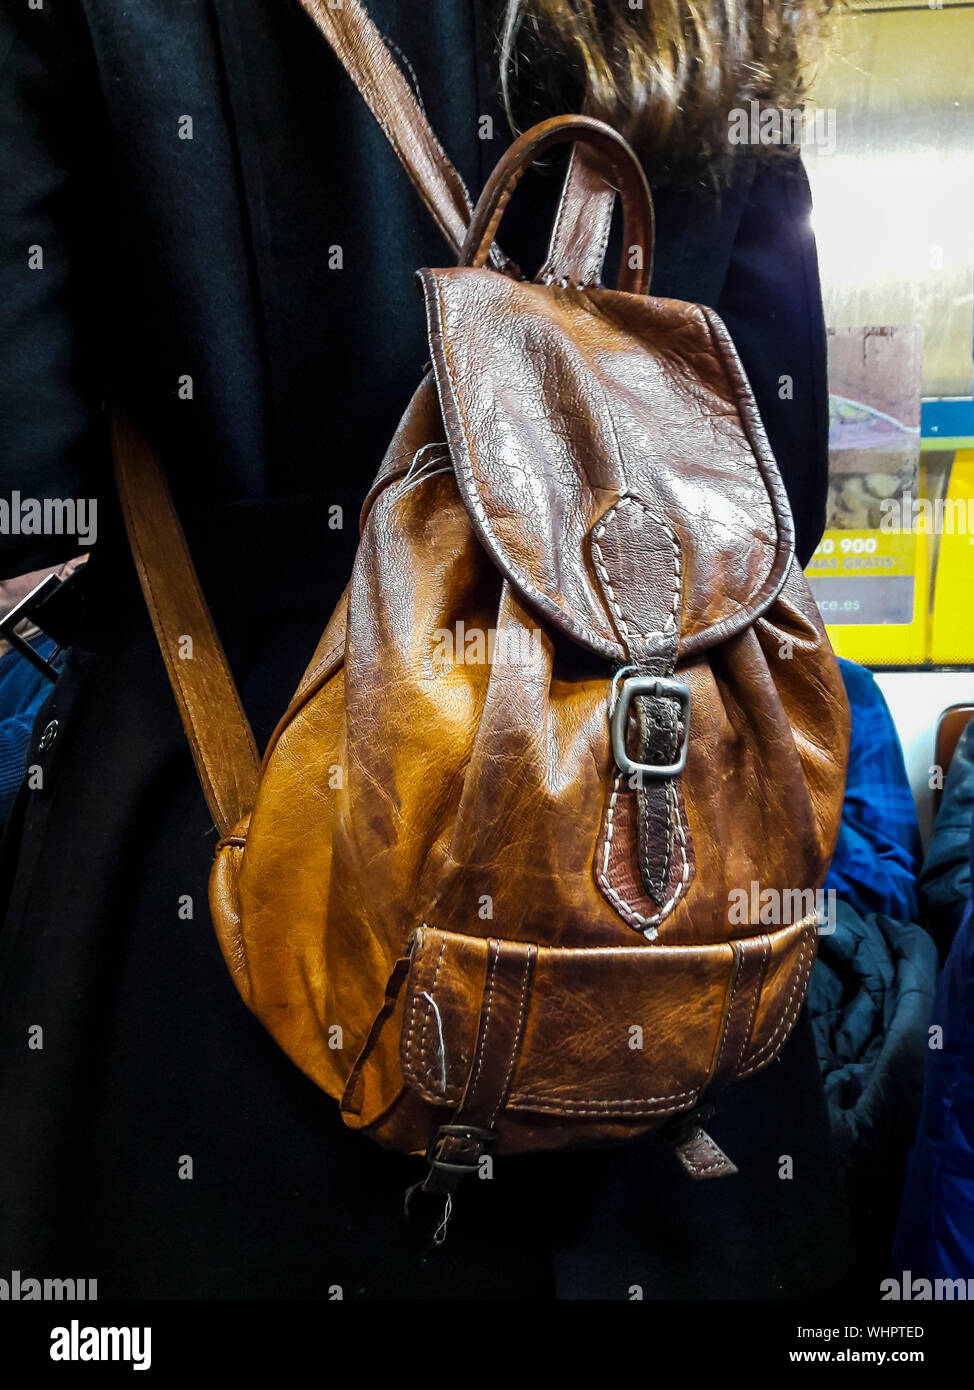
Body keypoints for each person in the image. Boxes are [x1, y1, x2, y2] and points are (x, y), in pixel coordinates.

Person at [0, 0, 850, 1298]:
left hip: (222, 907)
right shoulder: (710, 18)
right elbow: (776, 462)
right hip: (655, 925)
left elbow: (25, 447)